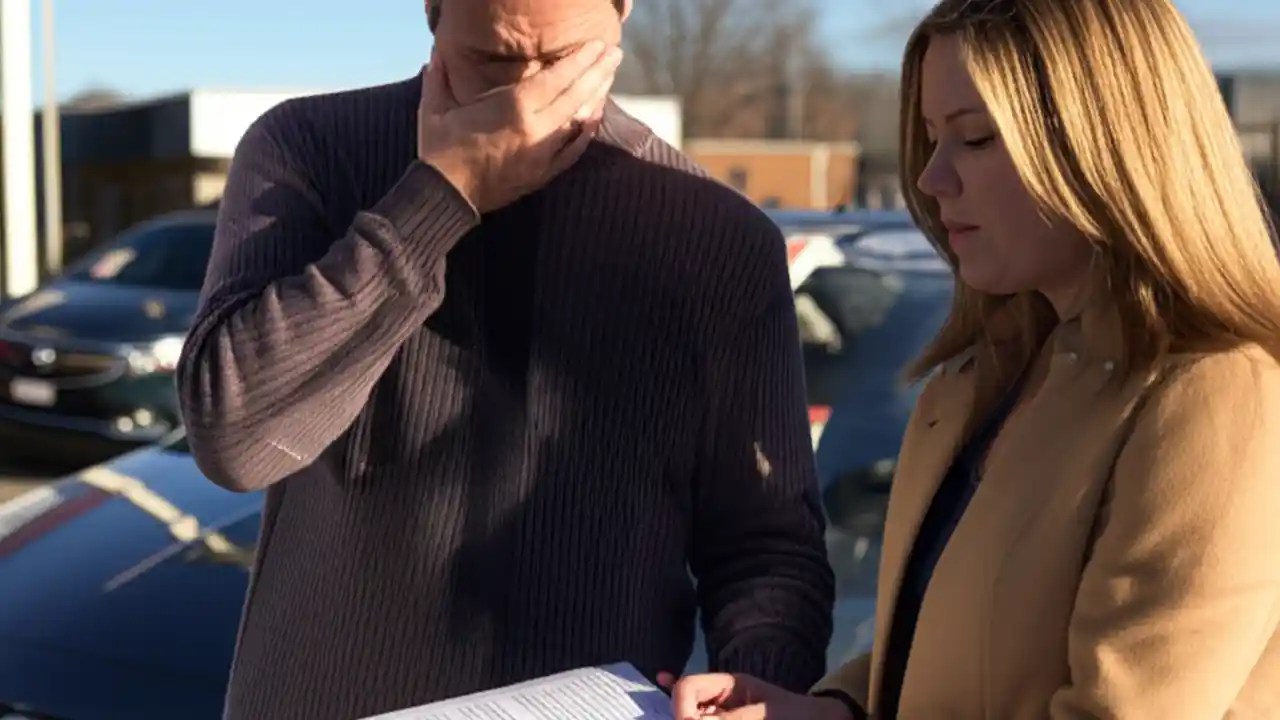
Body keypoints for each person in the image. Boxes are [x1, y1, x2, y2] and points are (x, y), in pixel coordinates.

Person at [176, 0, 835, 717]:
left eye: (561, 62)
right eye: (491, 62)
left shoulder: (716, 237)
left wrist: (758, 686)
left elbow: (768, 550)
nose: (525, 105)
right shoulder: (309, 152)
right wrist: (439, 197)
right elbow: (236, 439)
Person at [670, 0, 1280, 718]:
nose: (932, 180)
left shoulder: (1217, 399)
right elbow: (944, 658)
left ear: (1107, 146)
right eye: (931, 138)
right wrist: (828, 710)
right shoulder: (983, 381)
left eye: (977, 138)